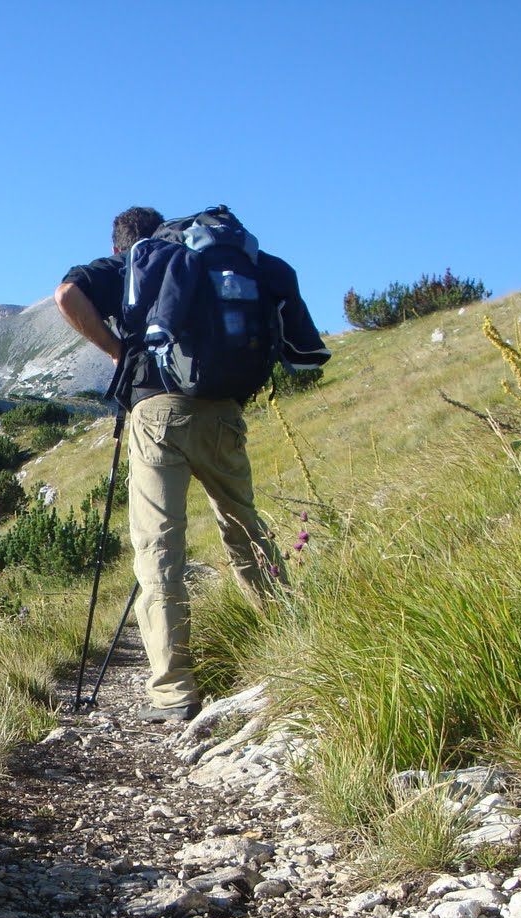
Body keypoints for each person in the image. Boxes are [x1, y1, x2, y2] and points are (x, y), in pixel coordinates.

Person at [54, 206, 329, 722]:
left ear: (120, 246)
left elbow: (67, 294)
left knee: (159, 545)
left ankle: (174, 691)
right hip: (223, 410)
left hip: (157, 414)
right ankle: (297, 647)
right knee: (245, 529)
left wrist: (117, 352)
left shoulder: (128, 264)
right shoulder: (208, 259)